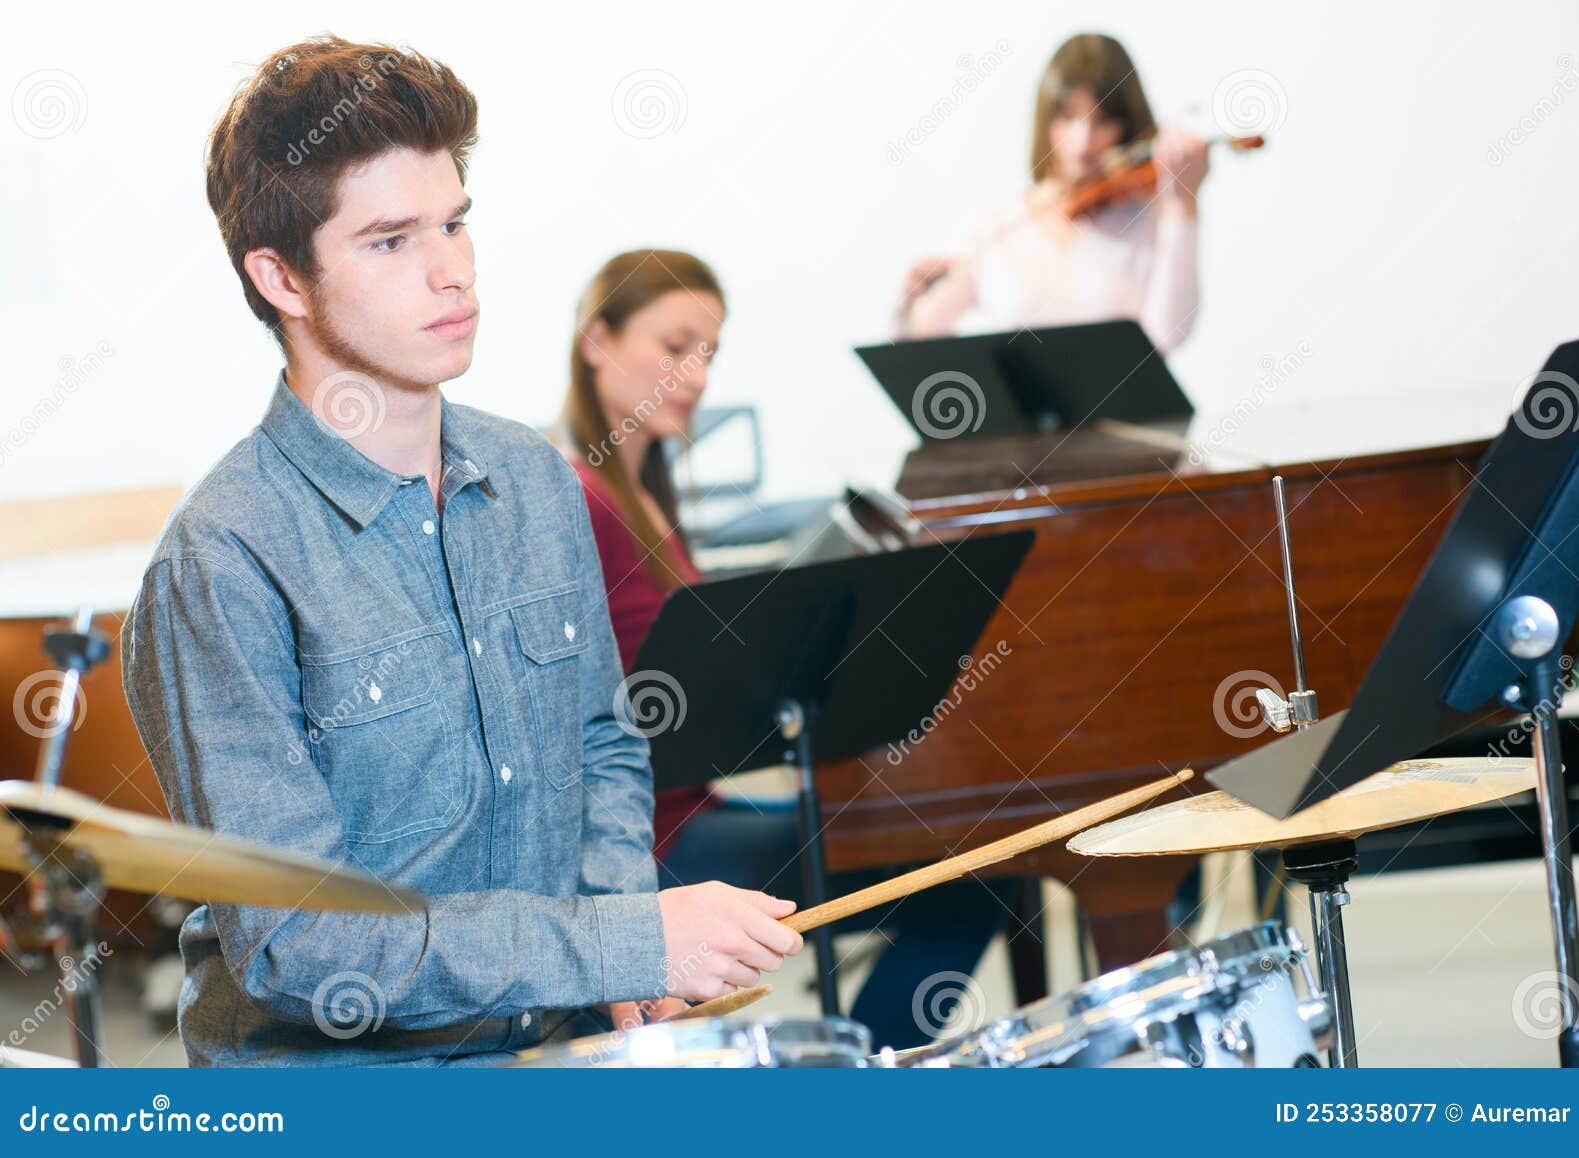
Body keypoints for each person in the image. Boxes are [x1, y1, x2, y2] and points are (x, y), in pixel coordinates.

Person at [120, 37, 801, 1068]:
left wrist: (623, 946)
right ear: (282, 278)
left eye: (454, 222)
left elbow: (602, 747)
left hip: (552, 1047)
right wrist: (613, 941)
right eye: (391, 242)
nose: (454, 271)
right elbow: (302, 946)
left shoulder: (534, 479)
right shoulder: (220, 563)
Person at [558, 249, 1012, 1048]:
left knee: (962, 859)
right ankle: (858, 1082)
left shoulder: (643, 494)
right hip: (657, 848)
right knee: (973, 878)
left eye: (710, 352)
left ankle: (854, 1071)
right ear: (597, 340)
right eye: (675, 345)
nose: (696, 373)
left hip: (698, 812)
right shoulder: (578, 496)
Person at [897, 32, 1209, 351]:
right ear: (1046, 119)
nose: (1083, 141)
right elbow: (927, 335)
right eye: (1068, 116)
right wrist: (914, 303)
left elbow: (1169, 334)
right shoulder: (1001, 227)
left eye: (1103, 120)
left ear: (1127, 126)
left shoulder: (1152, 221)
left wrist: (1182, 208)